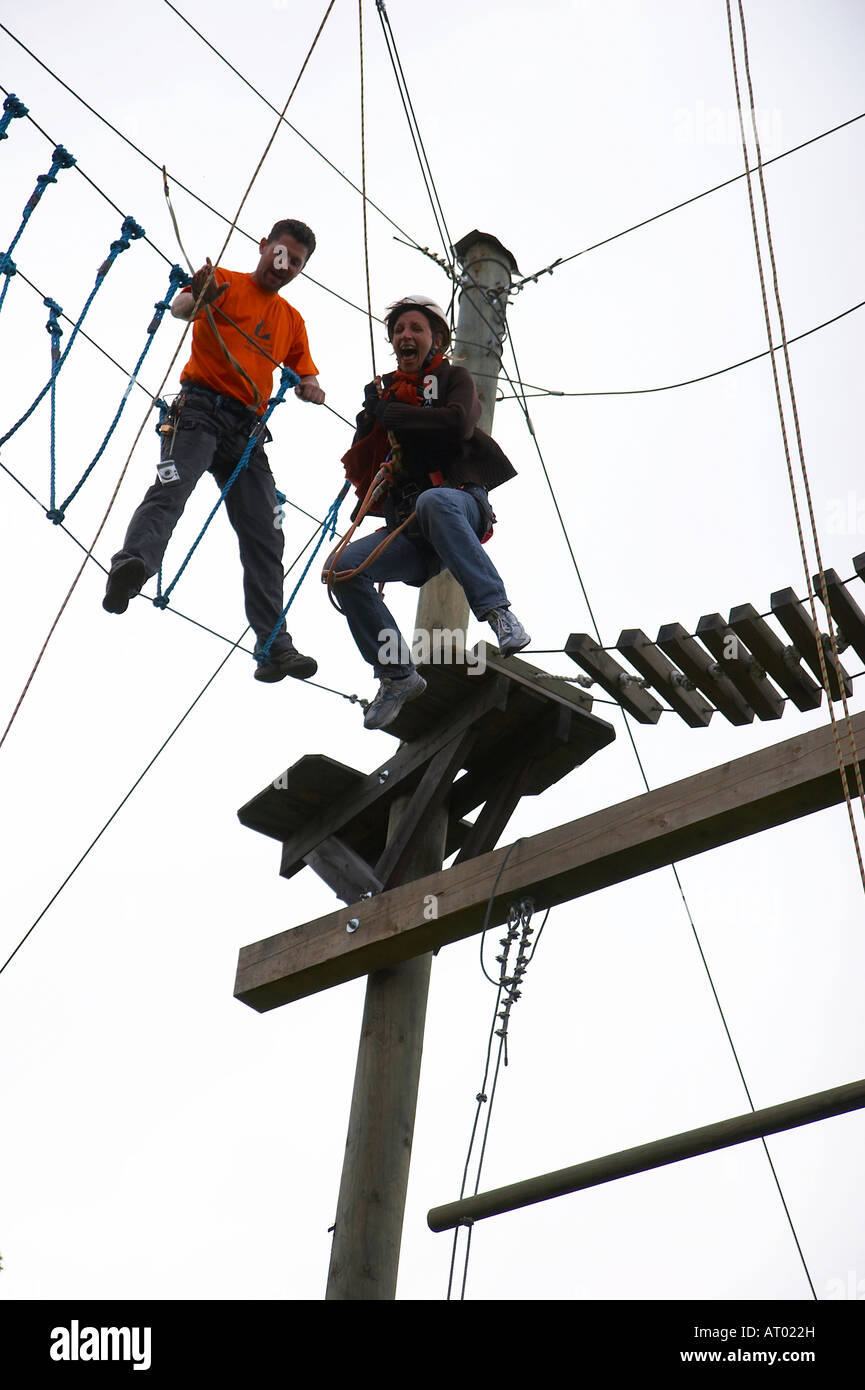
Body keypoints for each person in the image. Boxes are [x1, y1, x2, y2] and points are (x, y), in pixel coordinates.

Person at [103, 219, 325, 682]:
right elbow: (181, 307)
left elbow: (306, 371)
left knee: (267, 533)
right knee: (171, 489)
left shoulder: (292, 320)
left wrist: (310, 387)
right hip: (199, 413)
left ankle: (273, 647)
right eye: (280, 253)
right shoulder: (222, 280)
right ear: (263, 246)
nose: (284, 265)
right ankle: (132, 566)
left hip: (247, 432)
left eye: (296, 262)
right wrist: (201, 296)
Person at [331, 295, 531, 730]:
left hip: (458, 503)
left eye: (416, 329)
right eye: (399, 330)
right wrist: (373, 416)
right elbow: (369, 454)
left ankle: (497, 611)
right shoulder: (385, 395)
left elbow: (458, 423)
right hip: (412, 530)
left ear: (436, 340)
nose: (406, 335)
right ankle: (397, 673)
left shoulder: (453, 378)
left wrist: (394, 413)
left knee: (434, 501)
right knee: (342, 569)